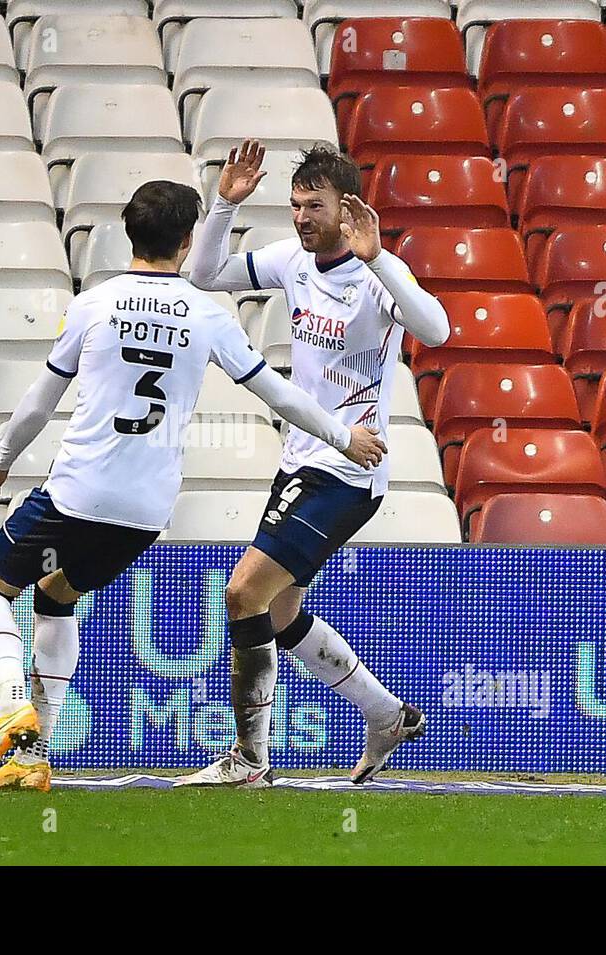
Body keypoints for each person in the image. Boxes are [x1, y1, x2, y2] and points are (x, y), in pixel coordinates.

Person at [0, 179, 388, 792]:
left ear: (128, 231)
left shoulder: (93, 305)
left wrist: (1, 456)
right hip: (145, 512)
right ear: (187, 242)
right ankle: (34, 752)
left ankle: (11, 707)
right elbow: (279, 393)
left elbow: (38, 401)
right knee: (54, 595)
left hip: (78, 490)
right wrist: (343, 438)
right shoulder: (208, 315)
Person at [175, 142, 450, 788]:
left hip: (350, 470)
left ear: (348, 209)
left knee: (243, 591)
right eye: (295, 204)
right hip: (302, 460)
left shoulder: (376, 273)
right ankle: (386, 715)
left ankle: (248, 760)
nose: (301, 217)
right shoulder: (292, 262)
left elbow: (435, 330)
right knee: (276, 612)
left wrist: (379, 258)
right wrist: (224, 204)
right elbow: (203, 274)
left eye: (314, 206)